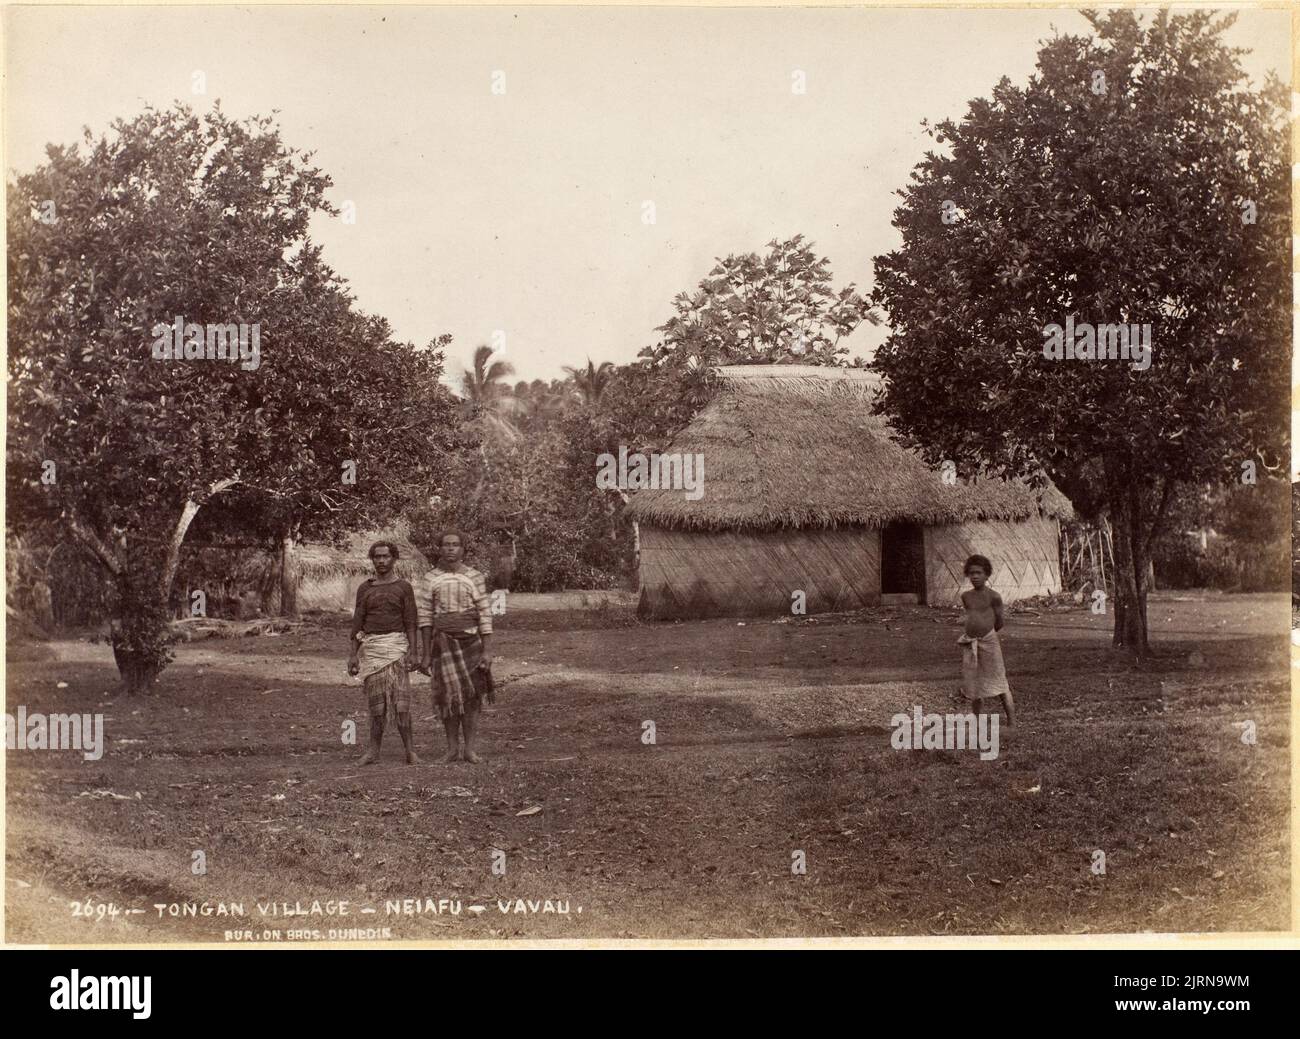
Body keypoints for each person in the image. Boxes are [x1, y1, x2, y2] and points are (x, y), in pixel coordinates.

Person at [417, 530, 495, 763]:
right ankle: (452, 749)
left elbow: (484, 614)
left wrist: (487, 650)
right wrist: (426, 654)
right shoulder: (430, 578)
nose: (450, 549)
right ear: (439, 549)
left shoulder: (475, 577)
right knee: (447, 697)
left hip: (471, 642)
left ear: (463, 549)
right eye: (446, 545)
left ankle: (469, 750)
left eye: (455, 545)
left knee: (472, 697)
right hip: (442, 644)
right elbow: (425, 616)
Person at [348, 541, 421, 765]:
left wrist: (414, 652)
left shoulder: (403, 588)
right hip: (373, 652)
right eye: (377, 557)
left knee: (401, 705)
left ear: (394, 559)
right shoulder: (365, 589)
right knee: (377, 706)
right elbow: (357, 624)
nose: (381, 561)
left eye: (385, 556)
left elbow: (411, 622)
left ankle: (410, 751)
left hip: (397, 650)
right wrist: (353, 655)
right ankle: (373, 752)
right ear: (372, 559)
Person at [957, 554, 1015, 726]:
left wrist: (985, 633)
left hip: (989, 642)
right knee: (974, 683)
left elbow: (999, 622)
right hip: (971, 642)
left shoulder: (994, 596)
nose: (975, 576)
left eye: (979, 573)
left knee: (999, 680)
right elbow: (971, 614)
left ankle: (1012, 722)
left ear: (987, 575)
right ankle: (976, 721)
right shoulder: (966, 596)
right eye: (972, 573)